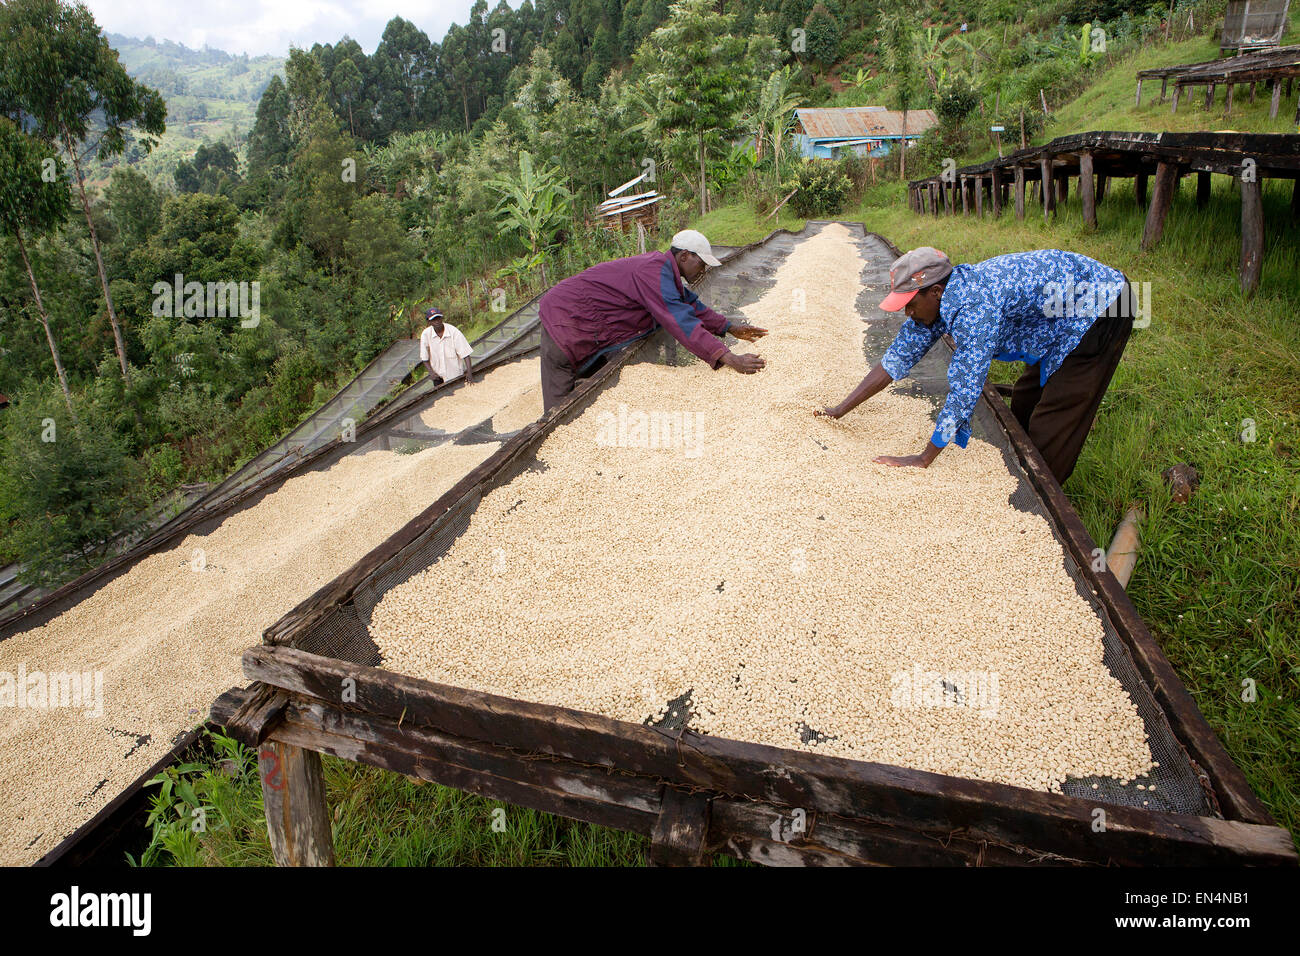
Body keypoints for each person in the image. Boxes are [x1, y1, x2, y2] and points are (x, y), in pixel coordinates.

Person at [816, 247, 1136, 485]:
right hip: (1060, 313)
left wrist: (924, 458)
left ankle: (1040, 491)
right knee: (1026, 401)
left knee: (1056, 418)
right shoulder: (936, 303)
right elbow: (893, 360)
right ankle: (1021, 460)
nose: (906, 312)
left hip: (1103, 304)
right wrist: (839, 410)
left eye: (909, 304)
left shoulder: (974, 309)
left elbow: (963, 393)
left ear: (936, 291)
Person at [538, 229, 768, 412]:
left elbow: (691, 306)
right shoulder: (654, 271)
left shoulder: (665, 273)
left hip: (592, 325)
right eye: (702, 263)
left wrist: (730, 328)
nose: (704, 270)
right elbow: (680, 320)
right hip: (565, 320)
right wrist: (729, 358)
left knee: (592, 392)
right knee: (560, 411)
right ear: (685, 256)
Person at [419, 306, 474, 388]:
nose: (437, 321)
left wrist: (469, 373)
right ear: (429, 322)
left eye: (438, 318)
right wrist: (431, 373)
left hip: (455, 375)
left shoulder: (453, 332)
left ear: (442, 318)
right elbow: (424, 357)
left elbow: (465, 354)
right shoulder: (426, 334)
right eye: (433, 320)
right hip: (438, 377)